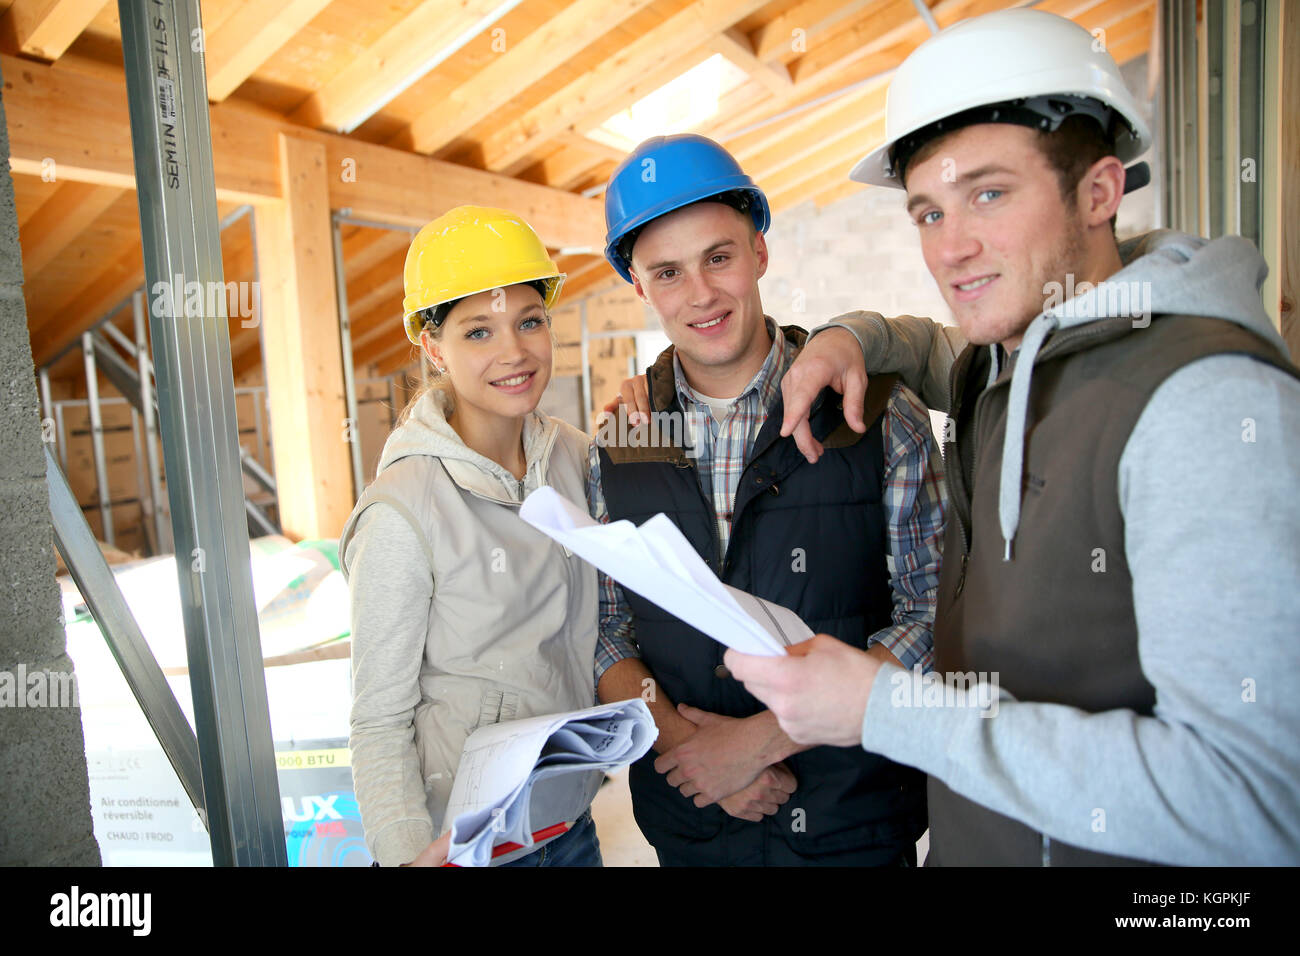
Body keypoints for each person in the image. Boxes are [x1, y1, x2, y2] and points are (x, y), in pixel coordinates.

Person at [720, 8, 1300, 865]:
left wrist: (884, 709)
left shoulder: (1205, 402)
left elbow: (1255, 802)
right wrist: (850, 339)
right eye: (927, 213)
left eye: (989, 194)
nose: (953, 249)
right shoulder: (1005, 360)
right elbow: (927, 343)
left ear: (1099, 193)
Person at [589, 134, 947, 865]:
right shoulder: (622, 440)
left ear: (758, 251)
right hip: (694, 826)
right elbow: (605, 632)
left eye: (718, 256)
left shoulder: (875, 414)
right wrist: (696, 756)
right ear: (640, 287)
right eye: (668, 272)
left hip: (856, 821)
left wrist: (760, 742)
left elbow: (936, 615)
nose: (700, 294)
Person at [340, 206, 605, 867]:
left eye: (530, 322)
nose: (514, 352)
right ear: (433, 348)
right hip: (462, 846)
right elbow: (377, 718)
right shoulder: (401, 512)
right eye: (479, 331)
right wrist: (406, 855)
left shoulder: (576, 460)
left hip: (567, 823)